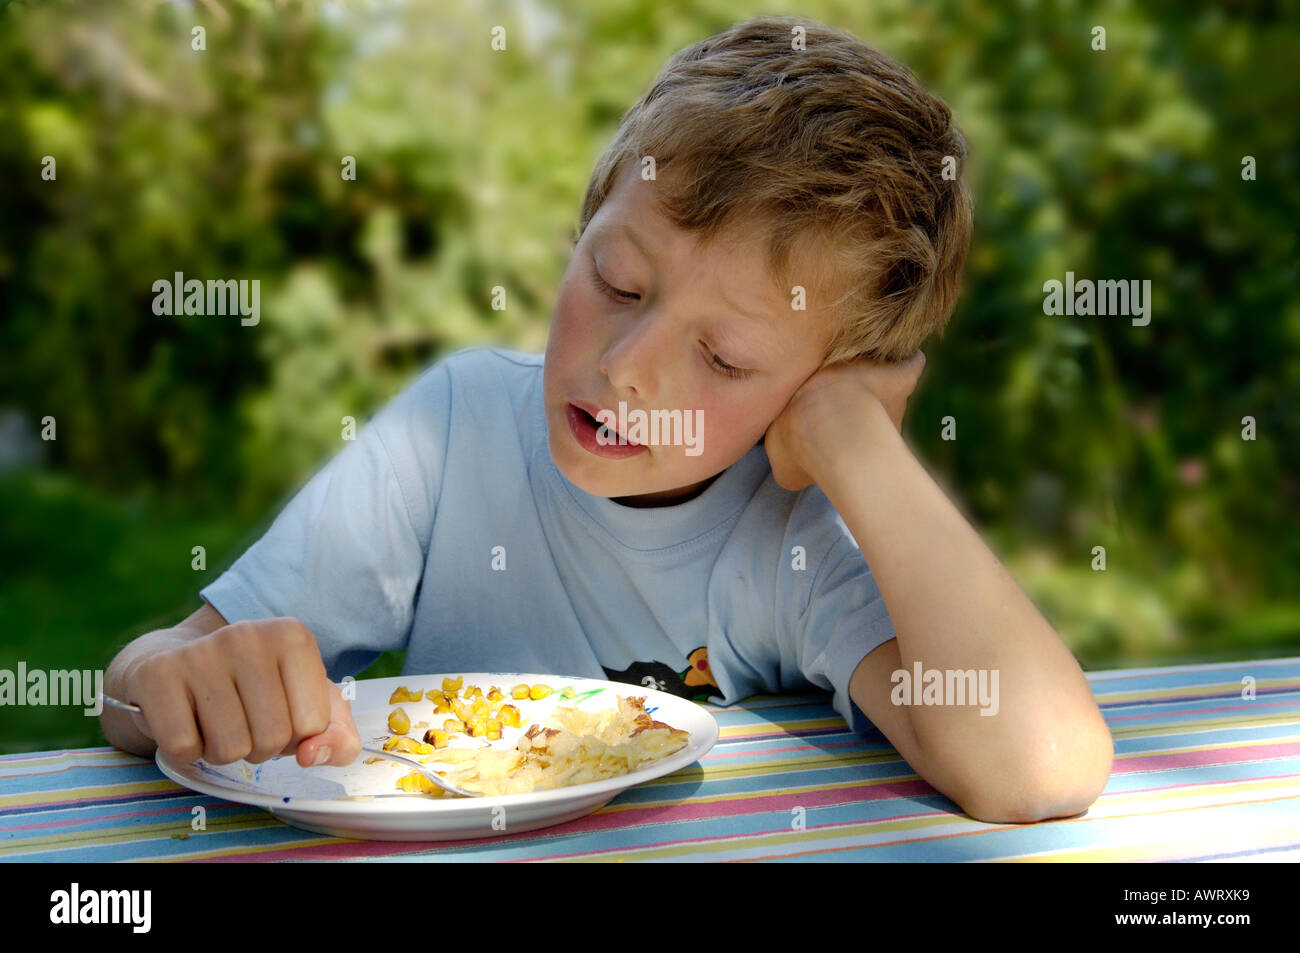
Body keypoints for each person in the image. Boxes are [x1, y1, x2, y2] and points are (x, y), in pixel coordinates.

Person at [101, 16, 1113, 824]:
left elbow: (1038, 764)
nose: (624, 368)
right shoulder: (452, 430)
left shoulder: (792, 537)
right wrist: (174, 679)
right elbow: (138, 679)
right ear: (579, 229)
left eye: (722, 358)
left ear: (814, 384)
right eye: (618, 280)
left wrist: (852, 437)